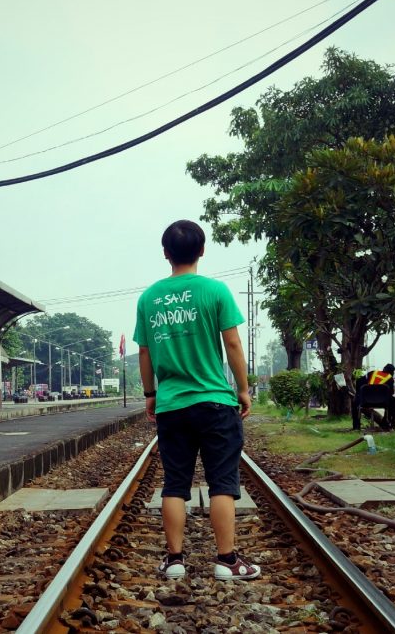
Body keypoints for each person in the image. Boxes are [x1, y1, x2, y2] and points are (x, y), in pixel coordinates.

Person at [135, 220, 258, 582]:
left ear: (165, 253)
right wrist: (243, 389)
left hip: (172, 404)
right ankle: (227, 561)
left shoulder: (149, 298)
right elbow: (233, 344)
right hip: (215, 403)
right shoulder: (215, 292)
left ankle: (175, 560)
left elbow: (144, 352)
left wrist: (150, 394)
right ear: (202, 250)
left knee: (175, 483)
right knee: (222, 482)